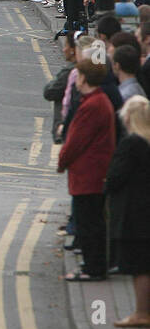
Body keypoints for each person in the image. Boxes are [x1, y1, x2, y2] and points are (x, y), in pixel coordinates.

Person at [59, 53, 116, 282]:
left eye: (79, 75)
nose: (77, 80)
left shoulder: (92, 105)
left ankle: (93, 268)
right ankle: (93, 265)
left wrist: (62, 160)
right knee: (91, 220)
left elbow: (75, 141)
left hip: (89, 173)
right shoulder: (97, 101)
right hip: (93, 172)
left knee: (89, 222)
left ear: (84, 78)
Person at [108, 95, 150, 325]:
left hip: (135, 213)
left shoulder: (132, 143)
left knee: (139, 266)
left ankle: (141, 313)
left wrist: (107, 183)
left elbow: (116, 177)